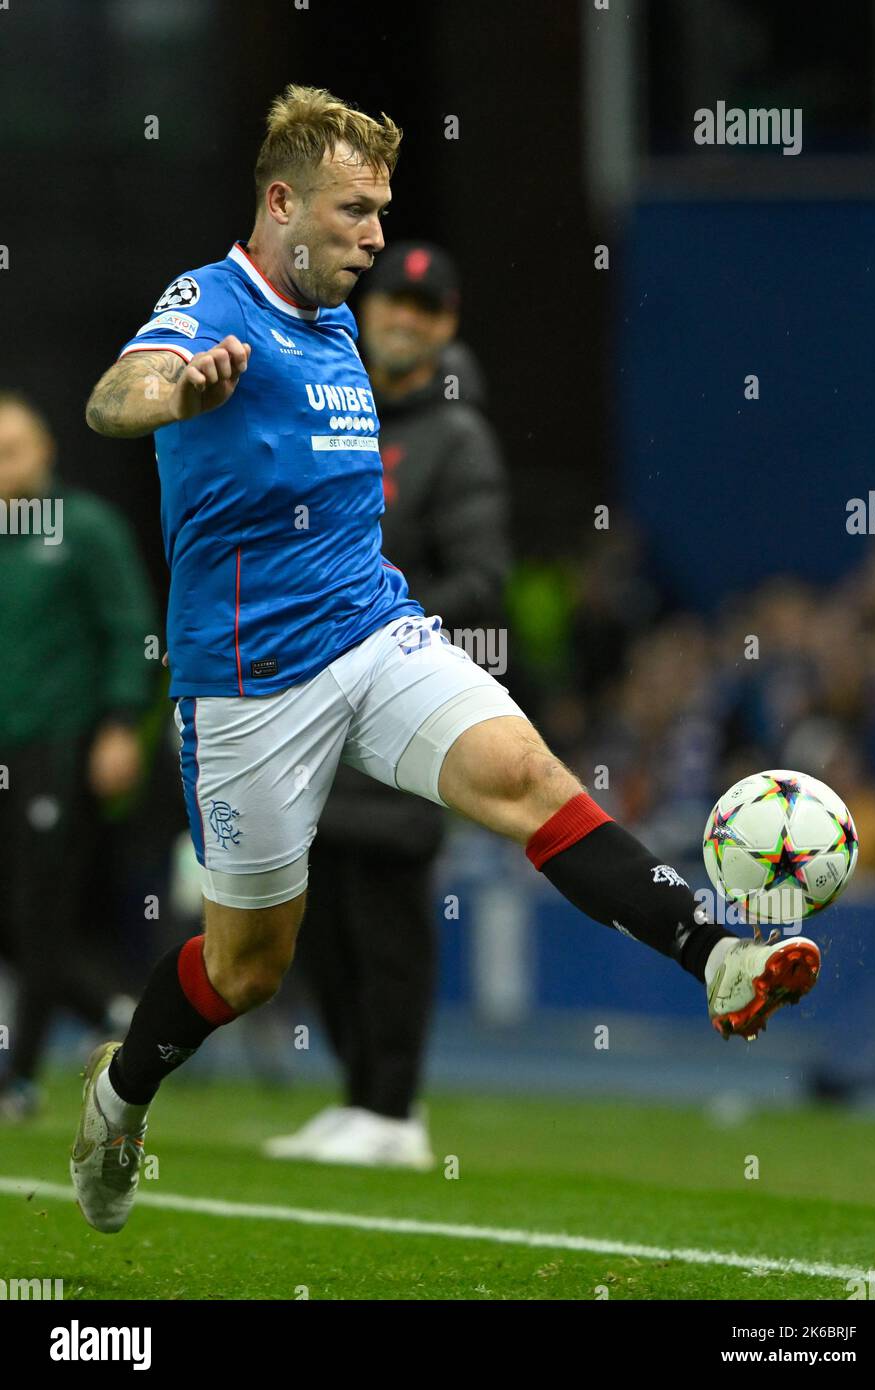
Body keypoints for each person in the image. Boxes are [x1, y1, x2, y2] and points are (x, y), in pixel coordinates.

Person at [75, 83, 820, 1235]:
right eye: (354, 211)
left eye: (382, 212)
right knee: (247, 967)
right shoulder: (208, 299)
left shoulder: (334, 323)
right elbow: (113, 395)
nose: (375, 237)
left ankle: (718, 956)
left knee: (532, 779)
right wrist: (176, 384)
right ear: (281, 202)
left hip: (373, 632)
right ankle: (121, 1093)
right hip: (245, 683)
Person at [263, 243, 510, 1167]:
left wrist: (377, 620)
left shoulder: (458, 436)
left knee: (388, 914)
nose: (402, 316)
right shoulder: (336, 406)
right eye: (392, 300)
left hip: (397, 698)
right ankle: (359, 1096)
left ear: (446, 325)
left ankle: (396, 1112)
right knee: (318, 915)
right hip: (309, 698)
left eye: (424, 306)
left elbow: (483, 582)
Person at [0, 391, 153, 1119]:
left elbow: (132, 630)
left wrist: (120, 724)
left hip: (58, 747)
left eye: (11, 449)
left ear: (46, 450)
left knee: (40, 912)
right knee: (14, 917)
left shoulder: (85, 528)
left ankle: (18, 1079)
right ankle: (110, 1008)